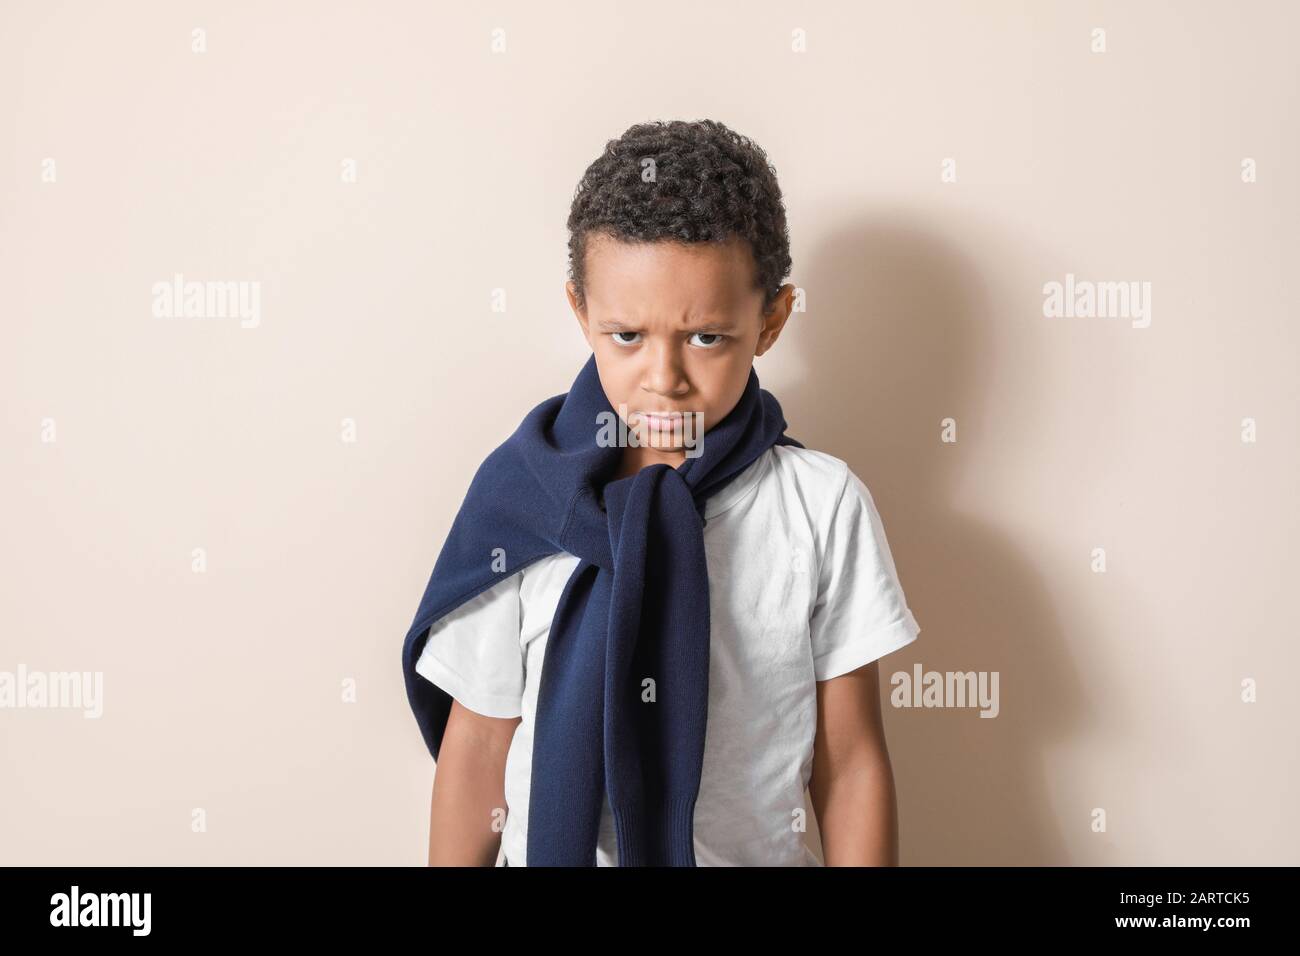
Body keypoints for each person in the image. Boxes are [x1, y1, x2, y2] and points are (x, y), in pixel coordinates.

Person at [402, 119, 921, 867]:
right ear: (582, 312)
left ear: (770, 320)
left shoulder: (821, 505)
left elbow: (849, 761)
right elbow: (478, 747)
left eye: (706, 337)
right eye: (626, 336)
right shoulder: (521, 498)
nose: (664, 376)